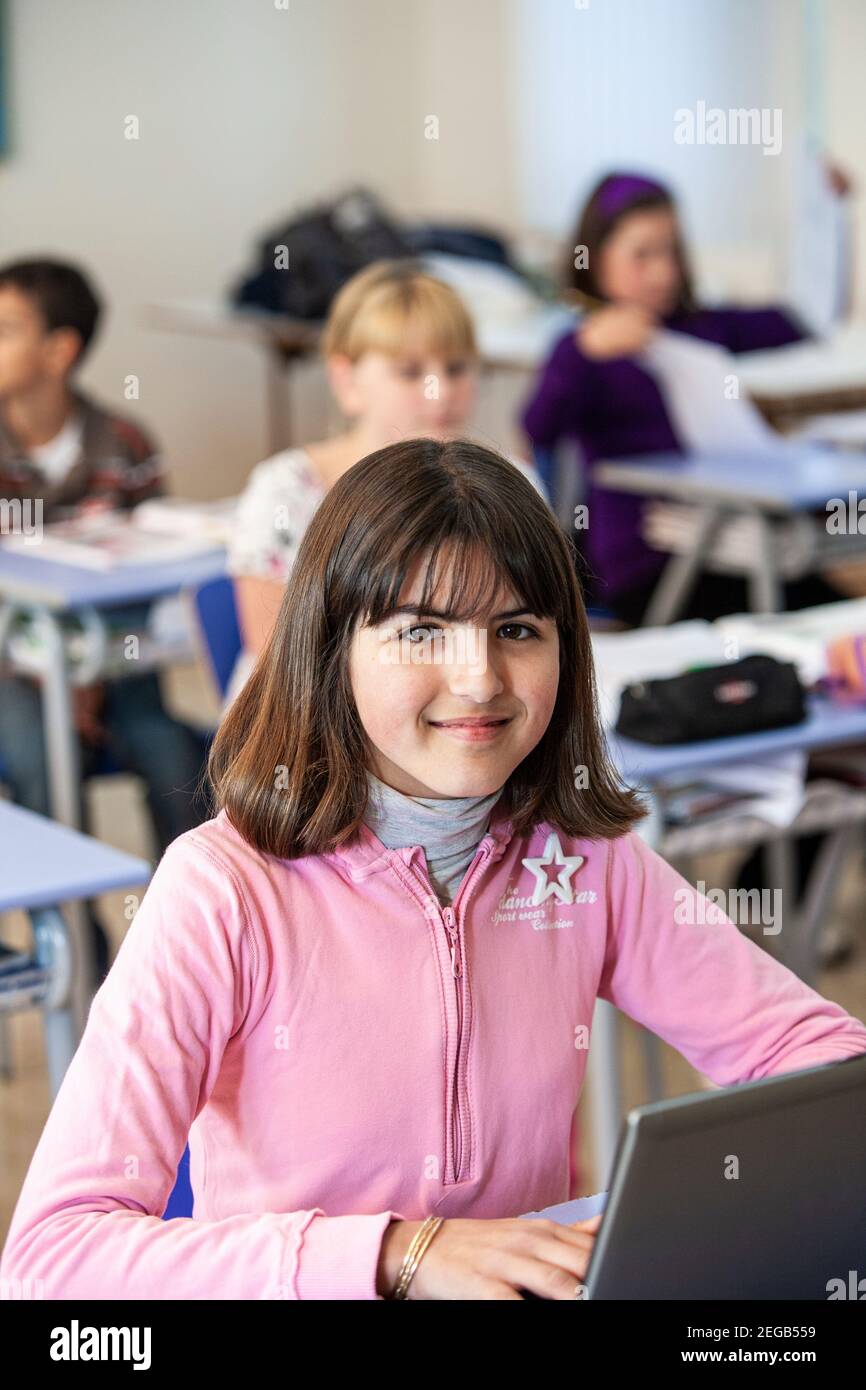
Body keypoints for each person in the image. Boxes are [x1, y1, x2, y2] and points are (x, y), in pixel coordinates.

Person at [2, 438, 864, 1301]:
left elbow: (823, 1060)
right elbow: (53, 1260)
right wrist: (394, 1254)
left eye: (517, 629)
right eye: (422, 630)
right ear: (332, 652)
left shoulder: (583, 858)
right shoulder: (220, 891)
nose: (480, 678)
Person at [0, 259, 211, 978]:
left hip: (120, 662)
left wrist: (94, 672)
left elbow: (158, 580)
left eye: (6, 330)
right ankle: (80, 973)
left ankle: (186, 952)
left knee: (176, 757)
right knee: (37, 761)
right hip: (11, 674)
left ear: (60, 351)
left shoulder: (124, 442)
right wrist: (48, 673)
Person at [521, 171, 847, 626]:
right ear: (594, 258)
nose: (663, 271)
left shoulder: (696, 328)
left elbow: (804, 318)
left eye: (671, 250)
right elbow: (536, 428)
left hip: (726, 542)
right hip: (645, 565)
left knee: (835, 603)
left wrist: (829, 216)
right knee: (807, 613)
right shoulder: (580, 346)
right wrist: (583, 352)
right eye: (643, 254)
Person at [226, 258, 547, 702]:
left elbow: (541, 626)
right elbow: (279, 661)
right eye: (410, 372)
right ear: (347, 380)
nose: (441, 389)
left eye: (456, 368)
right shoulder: (288, 489)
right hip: (311, 726)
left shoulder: (515, 483)